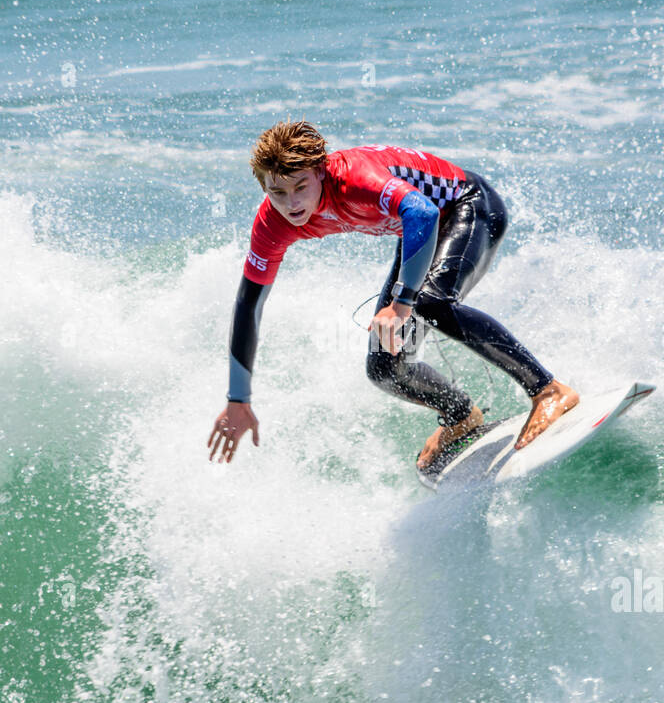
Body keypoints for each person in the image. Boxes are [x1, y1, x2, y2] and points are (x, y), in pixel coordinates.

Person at [207, 120, 579, 469]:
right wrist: (238, 399)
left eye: (301, 186)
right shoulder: (272, 225)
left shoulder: (353, 176)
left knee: (432, 302)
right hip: (417, 234)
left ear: (320, 171)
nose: (292, 204)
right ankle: (461, 416)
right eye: (278, 192)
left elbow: (423, 212)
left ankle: (548, 390)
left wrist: (402, 303)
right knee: (385, 366)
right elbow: (248, 306)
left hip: (468, 206)